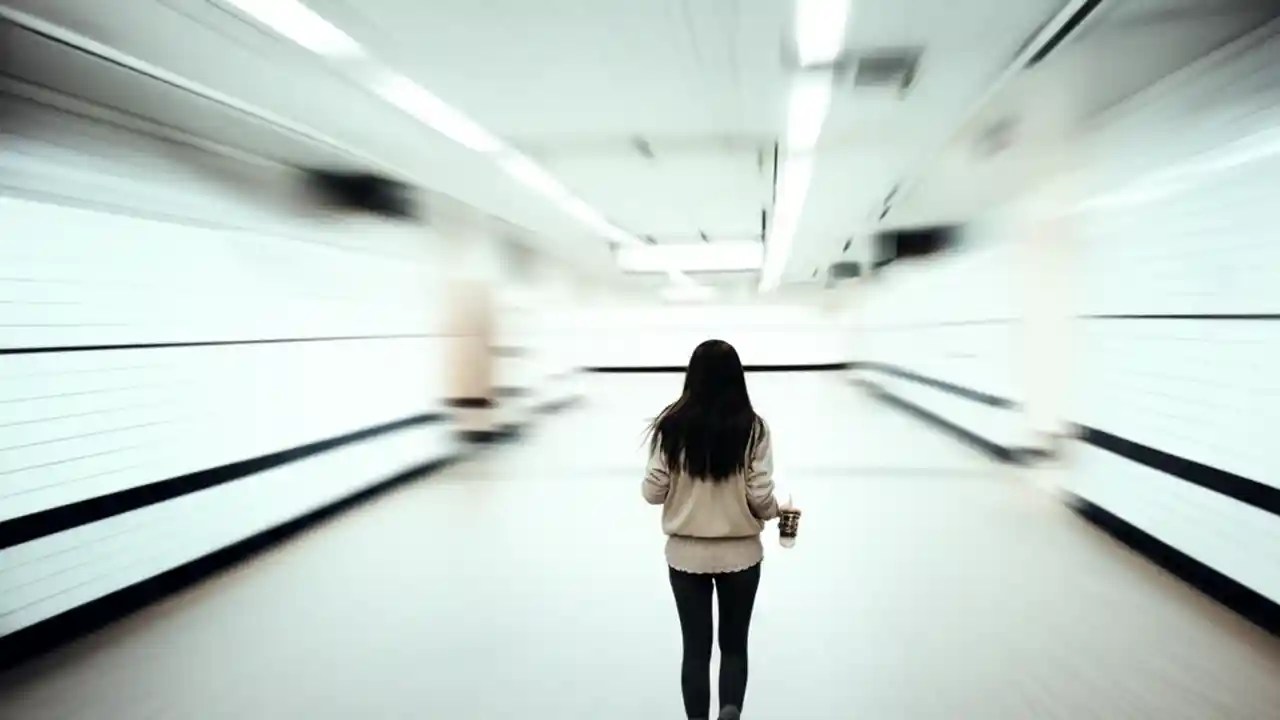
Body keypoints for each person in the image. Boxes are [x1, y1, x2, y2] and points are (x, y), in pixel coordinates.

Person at [642, 339, 795, 720]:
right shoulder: (754, 429)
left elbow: (653, 492)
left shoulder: (670, 428)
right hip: (741, 555)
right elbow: (760, 498)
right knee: (733, 646)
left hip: (685, 555)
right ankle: (729, 711)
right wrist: (779, 512)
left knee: (695, 650)